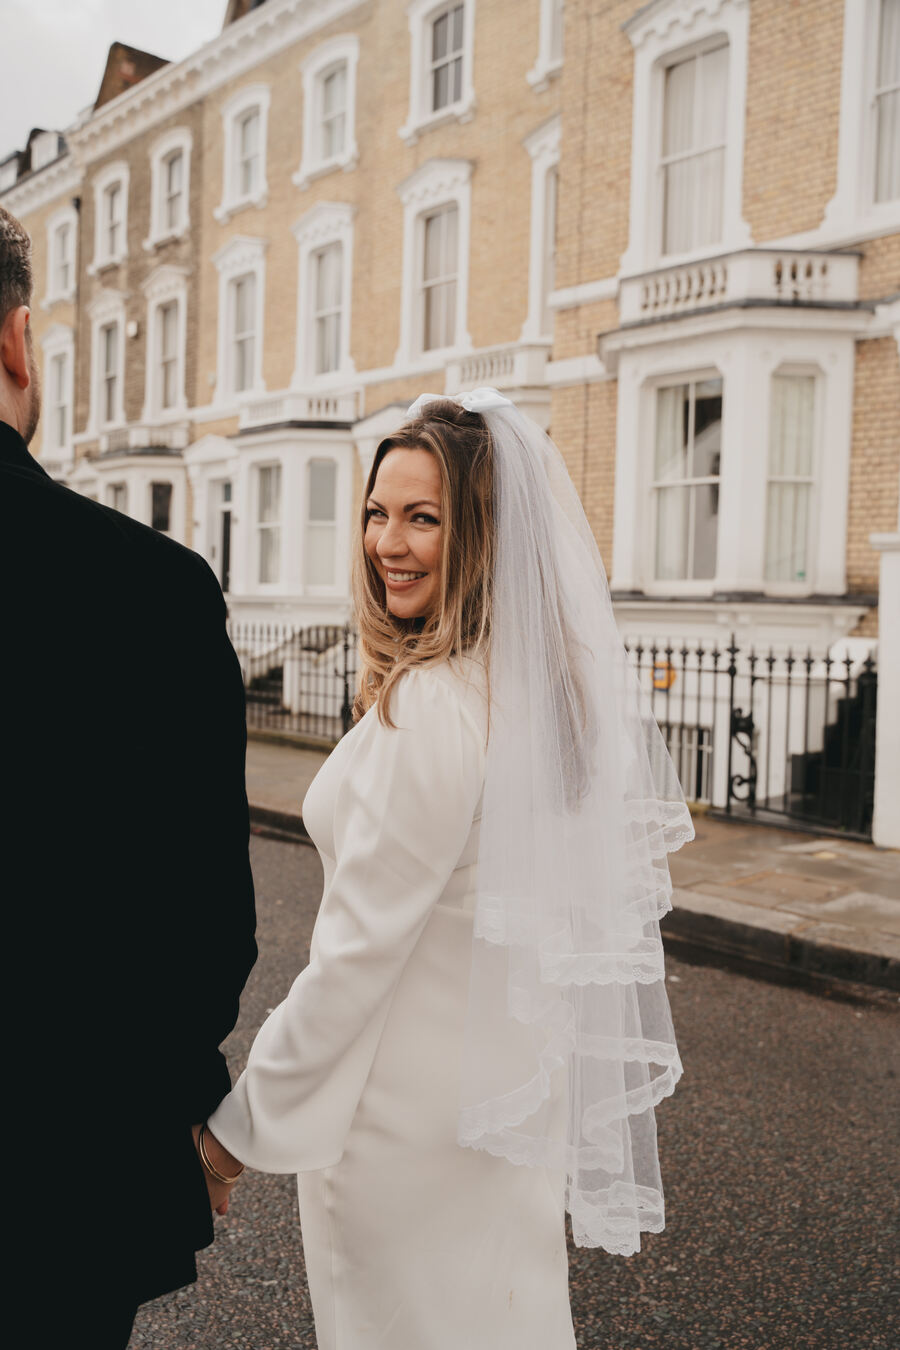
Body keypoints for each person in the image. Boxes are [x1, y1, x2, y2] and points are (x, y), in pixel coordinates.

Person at [201, 389, 694, 1348]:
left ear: (482, 538)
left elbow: (353, 963)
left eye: (423, 517)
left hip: (401, 1132)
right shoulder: (529, 698)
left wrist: (232, 1137)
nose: (389, 541)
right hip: (500, 1110)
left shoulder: (433, 709)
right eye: (378, 512)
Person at [0, 203, 257, 1346]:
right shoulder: (149, 590)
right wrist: (170, 1106)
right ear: (16, 343)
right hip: (61, 1201)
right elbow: (206, 929)